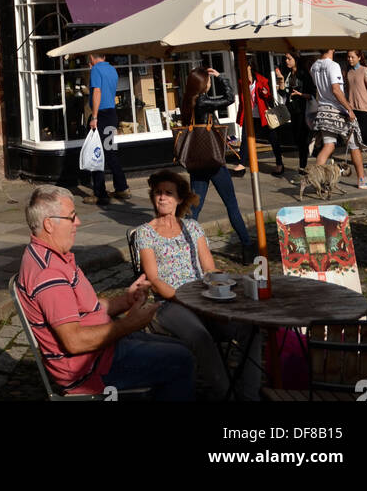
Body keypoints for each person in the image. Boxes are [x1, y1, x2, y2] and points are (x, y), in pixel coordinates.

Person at [17, 185, 194, 399]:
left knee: (182, 348)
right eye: (71, 217)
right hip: (91, 368)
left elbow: (84, 309)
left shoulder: (51, 255)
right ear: (49, 224)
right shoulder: (49, 274)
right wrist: (130, 324)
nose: (78, 222)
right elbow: (74, 342)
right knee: (182, 358)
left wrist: (126, 301)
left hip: (101, 351)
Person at [137, 169, 261, 401]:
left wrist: (227, 283)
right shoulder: (146, 233)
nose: (162, 198)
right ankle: (227, 395)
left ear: (180, 198)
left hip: (203, 299)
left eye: (168, 193)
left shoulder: (192, 228)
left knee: (250, 328)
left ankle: (250, 394)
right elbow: (153, 279)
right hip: (169, 304)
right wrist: (184, 300)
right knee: (200, 336)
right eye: (158, 193)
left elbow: (210, 268)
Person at [181, 66, 254, 264]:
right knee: (231, 205)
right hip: (212, 161)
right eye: (208, 80)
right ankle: (247, 247)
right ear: (203, 83)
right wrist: (222, 77)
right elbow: (229, 98)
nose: (210, 82)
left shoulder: (187, 101)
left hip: (196, 161)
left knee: (194, 209)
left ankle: (184, 250)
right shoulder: (203, 101)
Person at [310, 48, 367, 189]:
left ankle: (317, 180)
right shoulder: (333, 65)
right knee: (354, 145)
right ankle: (362, 180)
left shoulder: (314, 66)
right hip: (338, 112)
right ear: (332, 48)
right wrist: (349, 108)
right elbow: (336, 89)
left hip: (323, 110)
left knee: (328, 146)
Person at [83, 51, 131, 205]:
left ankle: (100, 194)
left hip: (101, 116)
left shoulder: (96, 69)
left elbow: (97, 91)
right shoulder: (112, 69)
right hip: (111, 114)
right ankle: (122, 188)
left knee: (96, 153)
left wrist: (94, 116)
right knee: (110, 153)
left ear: (92, 57)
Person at [238, 60, 284, 175]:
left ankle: (279, 163)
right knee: (245, 139)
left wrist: (265, 93)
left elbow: (268, 97)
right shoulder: (241, 81)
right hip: (249, 115)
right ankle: (241, 164)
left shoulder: (261, 79)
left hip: (263, 115)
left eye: (244, 65)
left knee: (273, 138)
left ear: (250, 66)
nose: (241, 68)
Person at [275, 51, 314, 173]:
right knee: (297, 139)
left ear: (295, 59)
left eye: (289, 58)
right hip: (292, 110)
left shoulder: (303, 74)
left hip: (303, 110)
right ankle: (307, 158)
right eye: (285, 58)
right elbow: (282, 93)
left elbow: (312, 93)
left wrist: (301, 94)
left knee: (302, 139)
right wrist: (281, 80)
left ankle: (303, 167)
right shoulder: (287, 74)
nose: (286, 61)